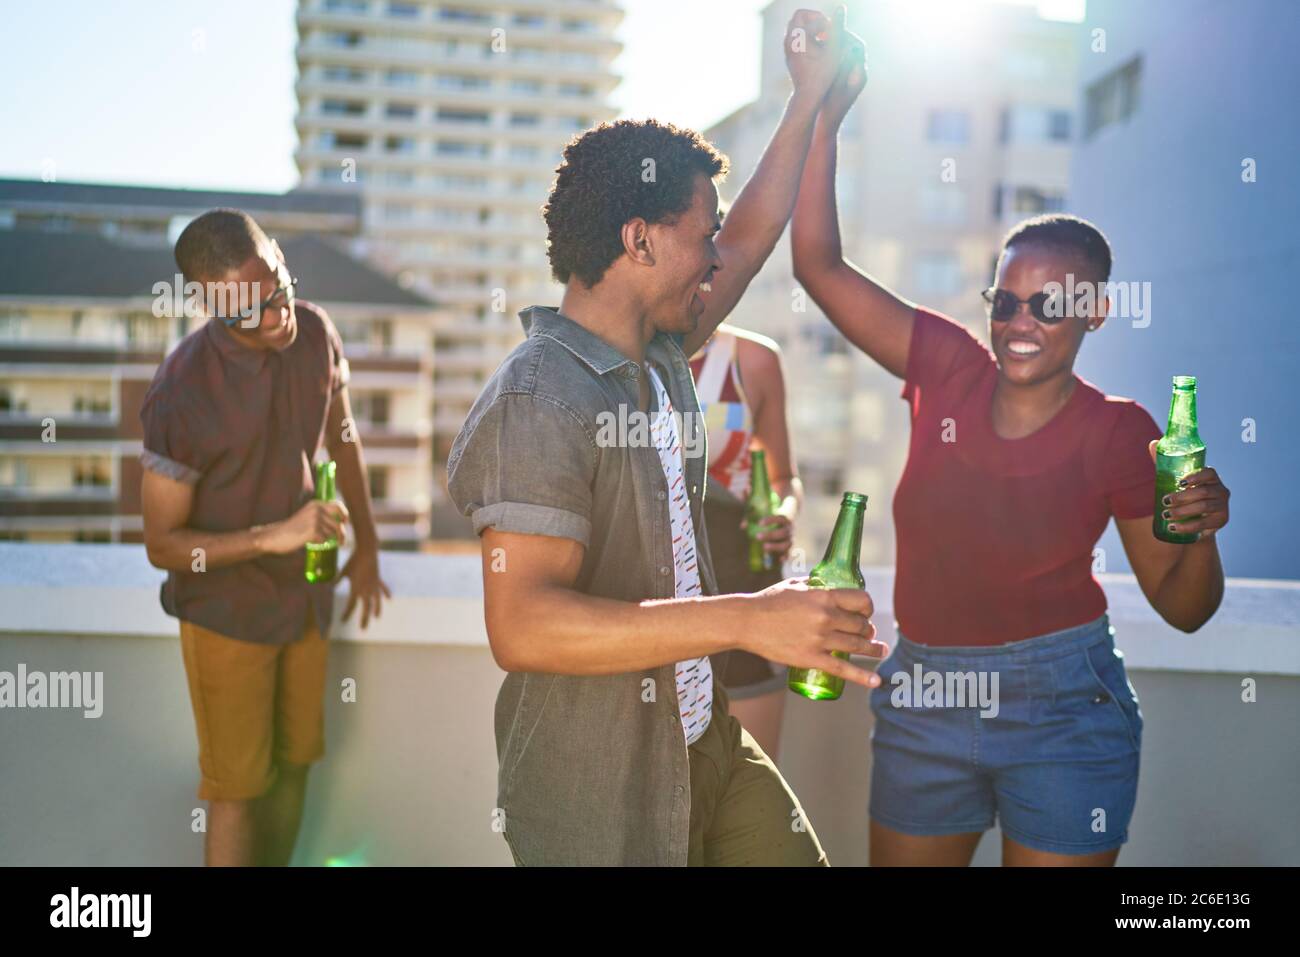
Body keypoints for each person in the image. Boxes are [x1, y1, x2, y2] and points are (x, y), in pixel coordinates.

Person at [447, 9, 886, 866]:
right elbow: (525, 626)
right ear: (639, 239)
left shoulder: (661, 353)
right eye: (702, 234)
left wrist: (808, 102)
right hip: (601, 790)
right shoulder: (540, 398)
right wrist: (751, 621)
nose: (718, 256)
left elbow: (754, 238)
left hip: (709, 742)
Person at [791, 41, 1231, 866]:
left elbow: (1185, 606)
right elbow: (816, 266)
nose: (1020, 319)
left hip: (1063, 707)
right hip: (924, 695)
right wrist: (824, 116)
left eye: (1050, 302)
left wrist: (1202, 527)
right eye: (1007, 298)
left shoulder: (1122, 430)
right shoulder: (945, 365)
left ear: (1095, 311)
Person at [139, 209, 390, 867]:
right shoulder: (179, 390)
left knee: (295, 766)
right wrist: (272, 536)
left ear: (277, 256)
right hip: (226, 616)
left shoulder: (314, 331)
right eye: (249, 310)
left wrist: (368, 544)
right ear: (212, 302)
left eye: (277, 287)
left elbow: (342, 437)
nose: (275, 314)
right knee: (237, 793)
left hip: (307, 596)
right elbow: (163, 544)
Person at [689, 323, 802, 759]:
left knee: (747, 784)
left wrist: (783, 516)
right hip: (646, 600)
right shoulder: (622, 348)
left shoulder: (753, 359)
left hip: (743, 585)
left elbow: (783, 479)